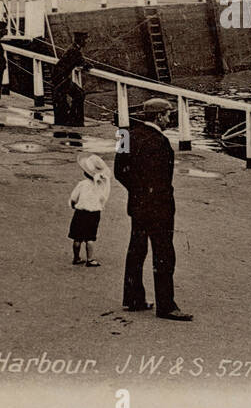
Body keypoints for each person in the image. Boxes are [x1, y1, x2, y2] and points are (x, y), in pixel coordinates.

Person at [114, 98, 191, 321]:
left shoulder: (124, 135)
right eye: (167, 115)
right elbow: (164, 179)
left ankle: (133, 297)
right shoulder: (161, 142)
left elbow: (120, 171)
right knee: (164, 254)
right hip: (159, 207)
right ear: (158, 117)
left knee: (136, 250)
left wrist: (136, 191)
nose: (169, 119)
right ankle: (166, 305)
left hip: (137, 203)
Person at [68, 153, 111, 268]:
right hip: (94, 214)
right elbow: (102, 200)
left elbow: (73, 197)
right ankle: (90, 259)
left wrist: (72, 204)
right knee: (90, 238)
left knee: (77, 238)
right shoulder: (101, 186)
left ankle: (76, 257)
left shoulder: (82, 184)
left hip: (80, 213)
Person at [50, 32, 89, 128]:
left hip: (60, 77)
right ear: (81, 40)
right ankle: (75, 119)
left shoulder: (73, 49)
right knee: (80, 94)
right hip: (61, 79)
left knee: (78, 93)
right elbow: (83, 63)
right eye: (85, 39)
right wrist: (88, 66)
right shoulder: (75, 51)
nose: (86, 42)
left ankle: (73, 117)